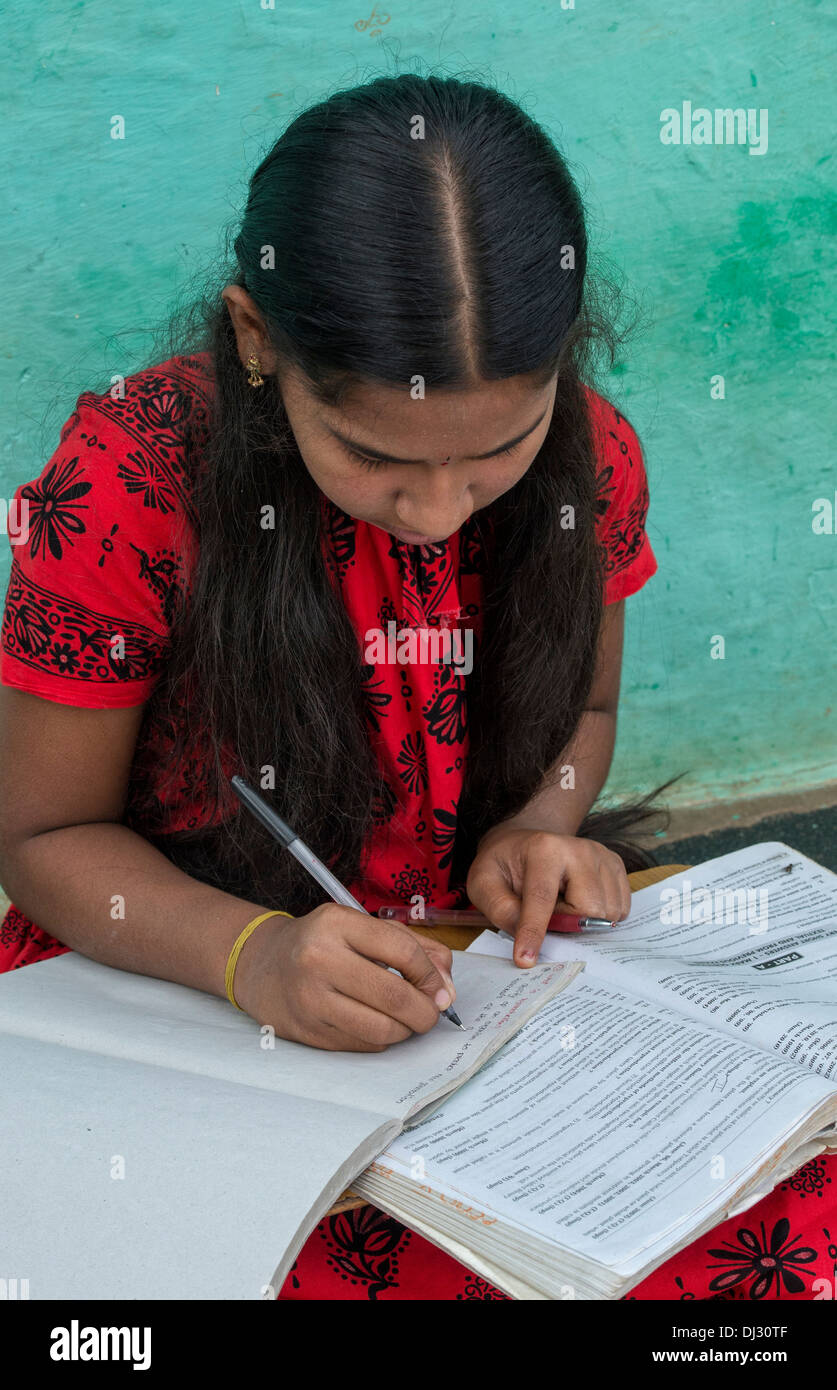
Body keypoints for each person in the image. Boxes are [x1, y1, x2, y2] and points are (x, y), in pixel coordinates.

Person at [1, 72, 831, 1302]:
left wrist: (541, 827)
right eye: (378, 457)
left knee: (751, 1224)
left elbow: (584, 719)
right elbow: (41, 833)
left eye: (498, 450)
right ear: (255, 338)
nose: (441, 512)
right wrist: (256, 958)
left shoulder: (591, 460)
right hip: (177, 979)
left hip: (473, 973)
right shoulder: (127, 486)